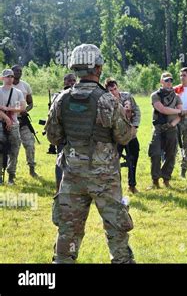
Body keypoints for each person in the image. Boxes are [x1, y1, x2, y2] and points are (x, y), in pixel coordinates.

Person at [45, 44, 136, 263]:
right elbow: (124, 137)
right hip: (104, 178)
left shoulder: (61, 99)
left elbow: (53, 137)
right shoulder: (108, 100)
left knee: (69, 231)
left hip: (72, 175)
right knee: (116, 230)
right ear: (97, 68)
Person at [105, 78, 141, 194]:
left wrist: (135, 127)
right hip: (116, 136)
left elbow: (137, 111)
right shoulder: (106, 101)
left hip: (130, 133)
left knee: (134, 157)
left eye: (115, 89)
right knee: (114, 161)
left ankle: (132, 185)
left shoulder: (127, 97)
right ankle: (114, 187)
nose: (114, 92)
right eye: (111, 90)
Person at [148, 72, 182, 189]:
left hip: (171, 128)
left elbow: (180, 116)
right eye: (166, 80)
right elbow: (162, 109)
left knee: (171, 154)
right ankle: (155, 180)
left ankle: (166, 178)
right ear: (161, 81)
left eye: (171, 80)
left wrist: (172, 124)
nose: (169, 82)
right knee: (155, 153)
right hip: (158, 127)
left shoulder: (176, 97)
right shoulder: (155, 95)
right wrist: (177, 111)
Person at [12, 65, 39, 178]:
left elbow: (31, 103)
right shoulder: (6, 87)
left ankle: (32, 169)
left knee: (30, 145)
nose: (18, 72)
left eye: (20, 71)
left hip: (23, 121)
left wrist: (25, 110)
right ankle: (11, 173)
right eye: (16, 71)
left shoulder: (25, 86)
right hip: (10, 121)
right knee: (13, 147)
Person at [0, 69, 26, 185]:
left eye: (12, 76)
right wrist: (6, 118)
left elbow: (22, 108)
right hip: (0, 124)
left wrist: (8, 109)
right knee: (0, 150)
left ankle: (11, 175)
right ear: (2, 78)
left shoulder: (18, 92)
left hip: (14, 124)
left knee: (14, 150)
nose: (10, 78)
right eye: (7, 76)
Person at [53, 73, 77, 192]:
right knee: (61, 160)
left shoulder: (78, 95)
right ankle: (59, 187)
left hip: (76, 134)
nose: (71, 83)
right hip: (63, 134)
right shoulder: (58, 96)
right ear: (64, 82)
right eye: (69, 81)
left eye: (73, 80)